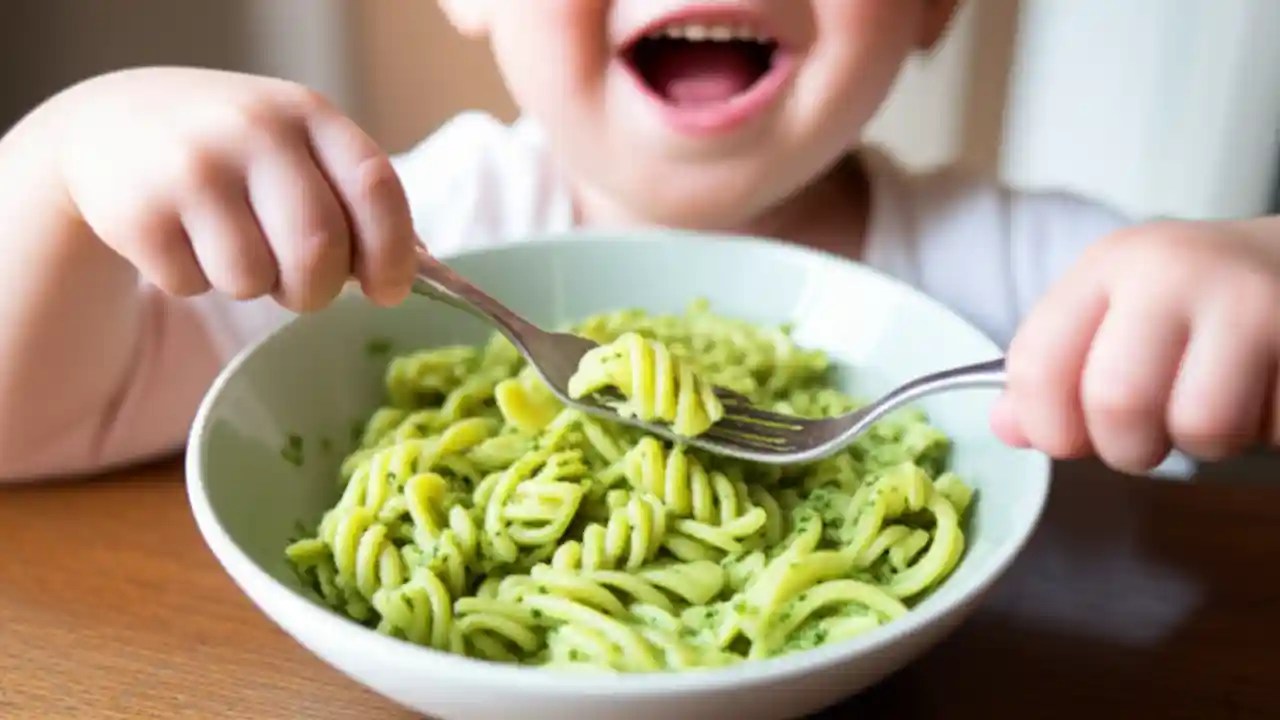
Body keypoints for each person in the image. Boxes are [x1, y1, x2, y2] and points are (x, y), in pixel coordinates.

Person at [0, 0, 1275, 484]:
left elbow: (1216, 340)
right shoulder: (400, 232)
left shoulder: (1022, 267)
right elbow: (36, 420)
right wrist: (58, 162)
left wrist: (1250, 271)